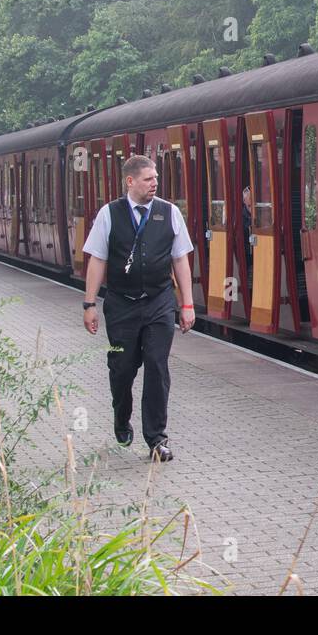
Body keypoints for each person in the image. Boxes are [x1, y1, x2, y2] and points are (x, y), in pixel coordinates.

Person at [82, 154, 195, 462]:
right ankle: (121, 417)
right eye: (148, 179)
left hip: (159, 301)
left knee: (158, 367)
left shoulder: (169, 213)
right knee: (122, 369)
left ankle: (157, 438)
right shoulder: (109, 214)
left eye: (155, 178)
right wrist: (90, 303)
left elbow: (180, 258)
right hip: (121, 304)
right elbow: (97, 259)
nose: (154, 183)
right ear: (130, 181)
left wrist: (187, 303)